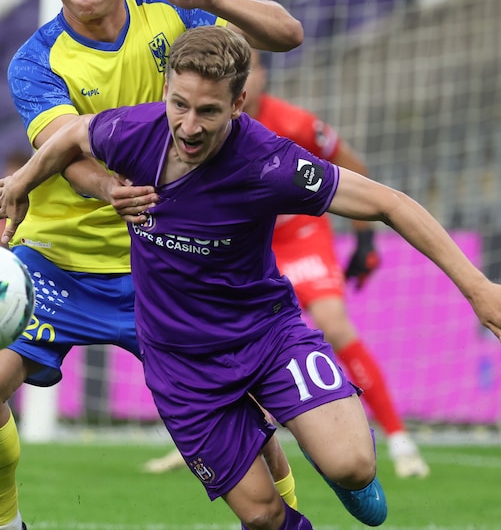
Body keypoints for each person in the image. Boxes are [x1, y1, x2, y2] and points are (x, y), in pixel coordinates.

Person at [0, 25, 501, 530]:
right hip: (179, 365)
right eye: (179, 105)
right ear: (165, 91)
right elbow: (70, 137)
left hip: (267, 337)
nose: (188, 126)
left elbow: (389, 202)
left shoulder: (270, 163)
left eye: (208, 111)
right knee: (261, 516)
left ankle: (347, 474)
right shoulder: (132, 131)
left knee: (352, 464)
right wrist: (21, 184)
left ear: (237, 104)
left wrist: (475, 287)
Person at [0, 0, 306, 530]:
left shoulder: (171, 14)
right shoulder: (37, 60)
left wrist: (218, 1)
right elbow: (64, 147)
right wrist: (110, 188)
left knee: (246, 421)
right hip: (57, 261)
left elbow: (286, 34)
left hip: (166, 268)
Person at [141, 50, 430, 479]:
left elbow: (353, 166)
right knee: (223, 331)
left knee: (333, 323)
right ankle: (215, 439)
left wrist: (365, 238)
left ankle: (399, 439)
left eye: (256, 68)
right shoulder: (186, 130)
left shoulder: (295, 124)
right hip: (245, 248)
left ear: (253, 79)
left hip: (300, 238)